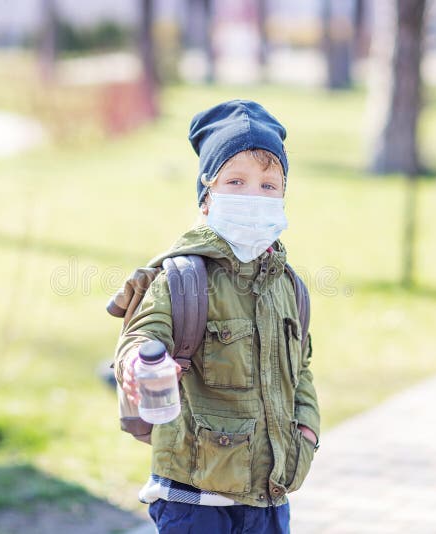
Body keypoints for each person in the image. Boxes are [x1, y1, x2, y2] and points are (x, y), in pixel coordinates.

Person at [114, 99, 320, 533]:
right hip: (195, 499)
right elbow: (146, 331)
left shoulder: (289, 286)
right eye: (236, 181)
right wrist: (138, 363)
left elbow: (301, 369)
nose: (254, 196)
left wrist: (307, 432)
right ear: (206, 198)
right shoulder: (184, 277)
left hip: (269, 496)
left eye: (268, 185)